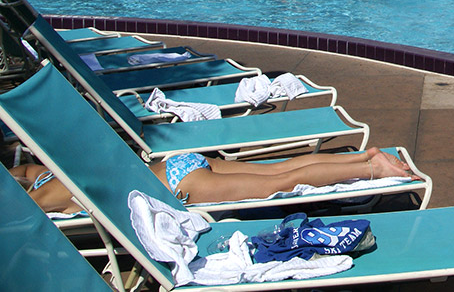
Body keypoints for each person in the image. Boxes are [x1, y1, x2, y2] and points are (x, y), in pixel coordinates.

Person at [9, 147, 416, 212]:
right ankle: (365, 156)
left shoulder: (39, 196)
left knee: (286, 181)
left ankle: (370, 168)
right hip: (177, 164)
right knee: (280, 169)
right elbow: (18, 170)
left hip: (181, 187)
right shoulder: (38, 171)